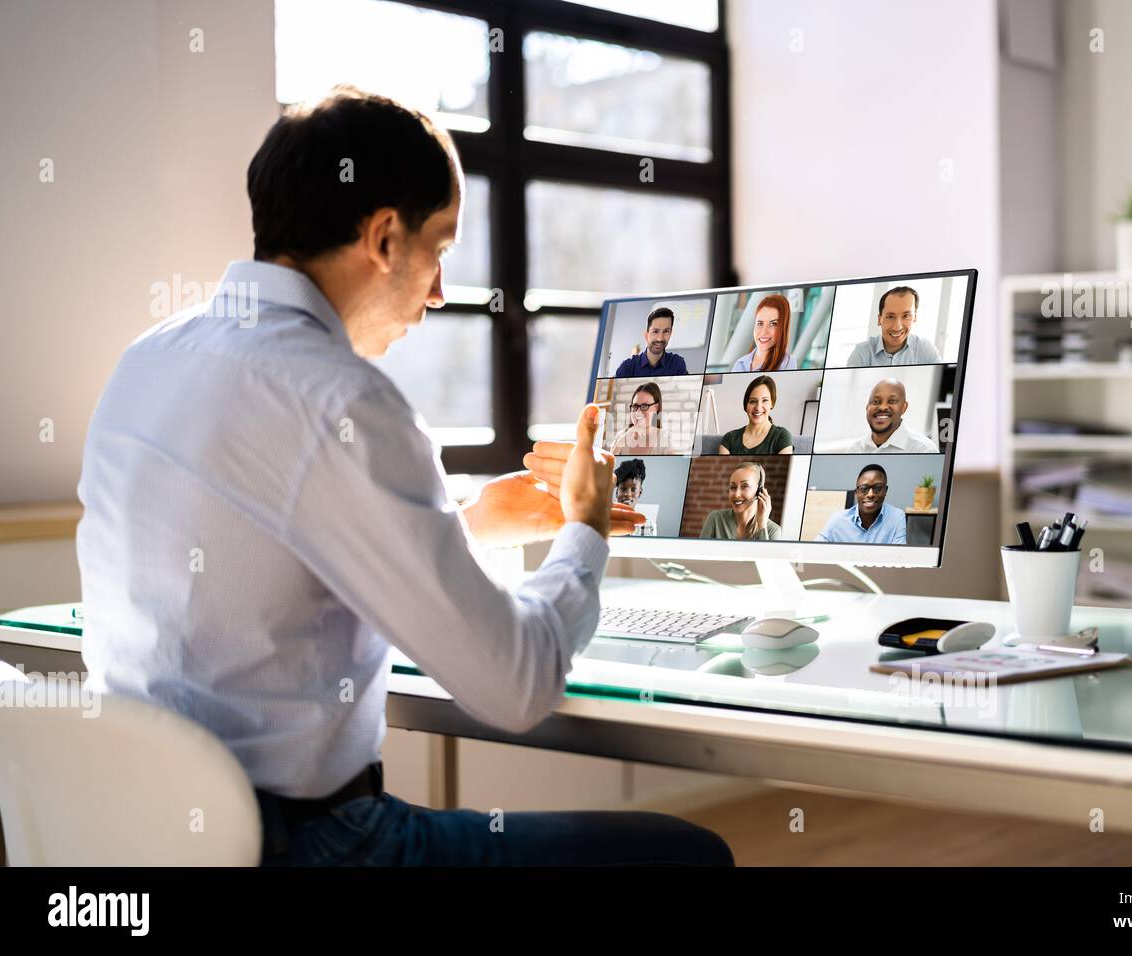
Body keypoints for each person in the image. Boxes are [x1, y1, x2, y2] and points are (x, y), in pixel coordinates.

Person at [76, 87, 731, 868]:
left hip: (133, 838)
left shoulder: (147, 360)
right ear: (384, 237)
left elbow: (277, 550)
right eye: (442, 249)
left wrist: (478, 520)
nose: (441, 291)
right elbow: (515, 686)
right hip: (305, 847)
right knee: (686, 857)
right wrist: (586, 530)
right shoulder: (340, 398)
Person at [839, 378, 939, 453]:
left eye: (892, 401)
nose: (882, 407)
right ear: (867, 407)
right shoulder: (854, 450)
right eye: (876, 401)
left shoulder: (924, 450)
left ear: (904, 407)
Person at [847, 286, 941, 366]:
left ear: (914, 317)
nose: (897, 327)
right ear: (880, 319)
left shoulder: (926, 351)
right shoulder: (861, 354)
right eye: (890, 317)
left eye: (906, 316)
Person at [815, 463, 908, 544]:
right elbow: (815, 549)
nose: (870, 494)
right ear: (856, 492)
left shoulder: (897, 517)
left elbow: (899, 555)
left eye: (878, 488)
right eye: (864, 489)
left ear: (885, 491)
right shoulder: (837, 519)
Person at [699, 462, 781, 540]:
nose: (736, 494)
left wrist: (762, 526)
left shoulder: (773, 530)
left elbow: (764, 554)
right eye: (733, 487)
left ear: (759, 491)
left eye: (745, 486)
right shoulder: (715, 519)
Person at [719, 375, 794, 455]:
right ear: (746, 405)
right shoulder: (729, 438)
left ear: (772, 403)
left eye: (765, 400)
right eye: (753, 401)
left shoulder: (782, 436)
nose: (758, 407)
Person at [615, 307, 689, 377]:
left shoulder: (677, 363)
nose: (660, 338)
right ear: (646, 335)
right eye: (655, 331)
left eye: (666, 331)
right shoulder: (627, 367)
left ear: (670, 333)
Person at [609, 382, 679, 455]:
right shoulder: (620, 436)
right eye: (635, 406)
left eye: (644, 406)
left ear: (656, 408)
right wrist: (621, 442)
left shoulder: (666, 439)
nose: (638, 412)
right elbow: (608, 465)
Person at [731, 293, 794, 372]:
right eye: (760, 323)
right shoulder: (740, 364)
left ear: (782, 328)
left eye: (773, 324)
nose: (763, 332)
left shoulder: (788, 364)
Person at [613, 458, 657, 536]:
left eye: (633, 489)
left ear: (639, 493)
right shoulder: (605, 521)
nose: (628, 494)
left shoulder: (649, 526)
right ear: (617, 492)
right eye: (623, 489)